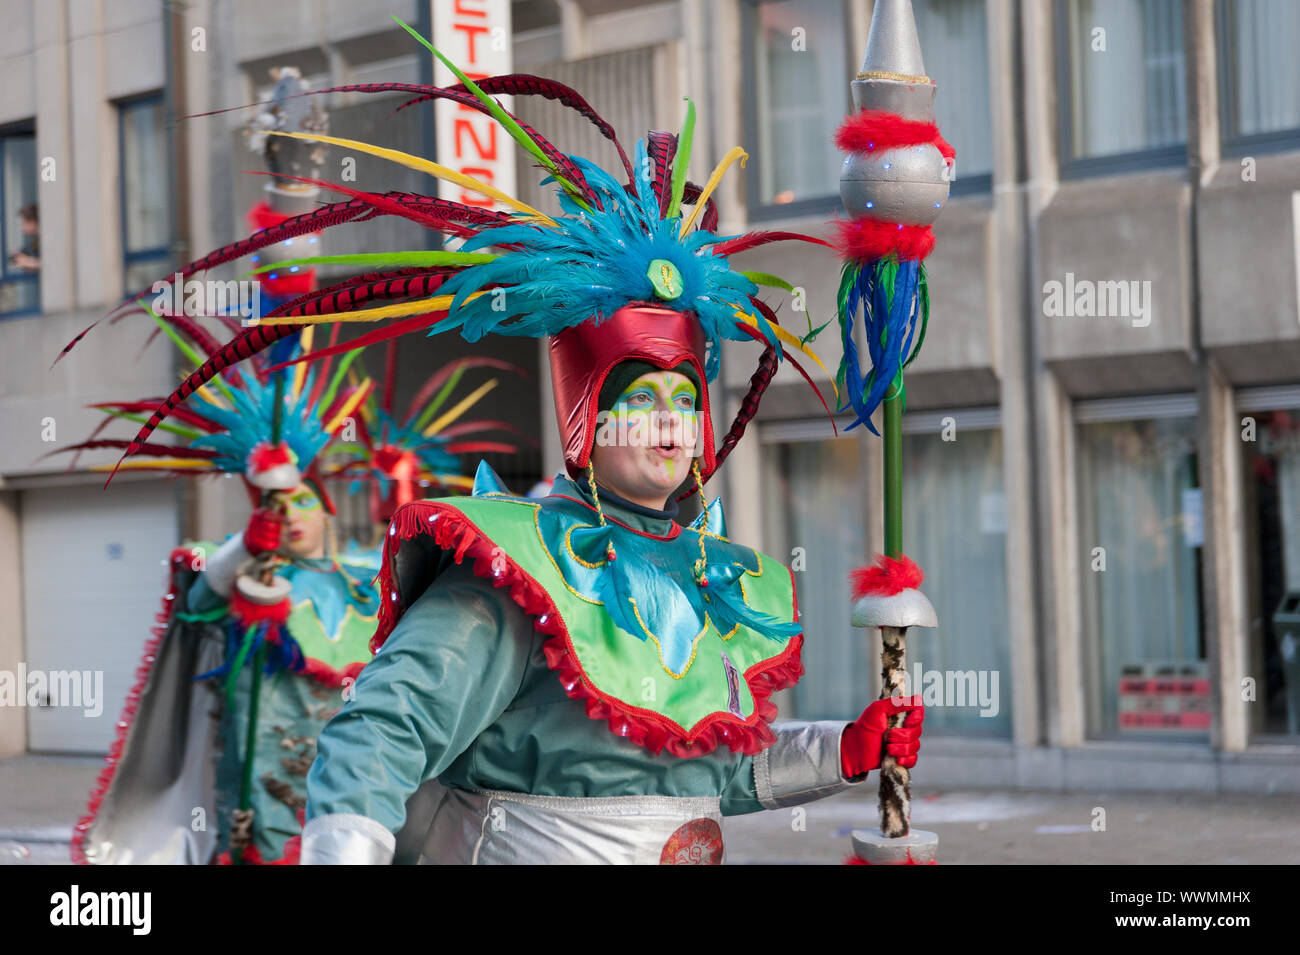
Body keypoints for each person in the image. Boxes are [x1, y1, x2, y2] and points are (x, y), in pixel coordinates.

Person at [94, 39, 925, 864]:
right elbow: (381, 732)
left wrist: (847, 748)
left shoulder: (707, 577)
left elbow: (707, 776)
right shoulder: (513, 575)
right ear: (584, 422)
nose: (671, 424)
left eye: (685, 401)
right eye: (638, 402)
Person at [69, 319, 512, 864]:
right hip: (263, 811)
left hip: (361, 807)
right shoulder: (241, 579)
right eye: (275, 506)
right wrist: (244, 548)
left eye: (301, 501)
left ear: (326, 506)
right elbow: (196, 605)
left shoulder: (371, 579)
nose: (289, 516)